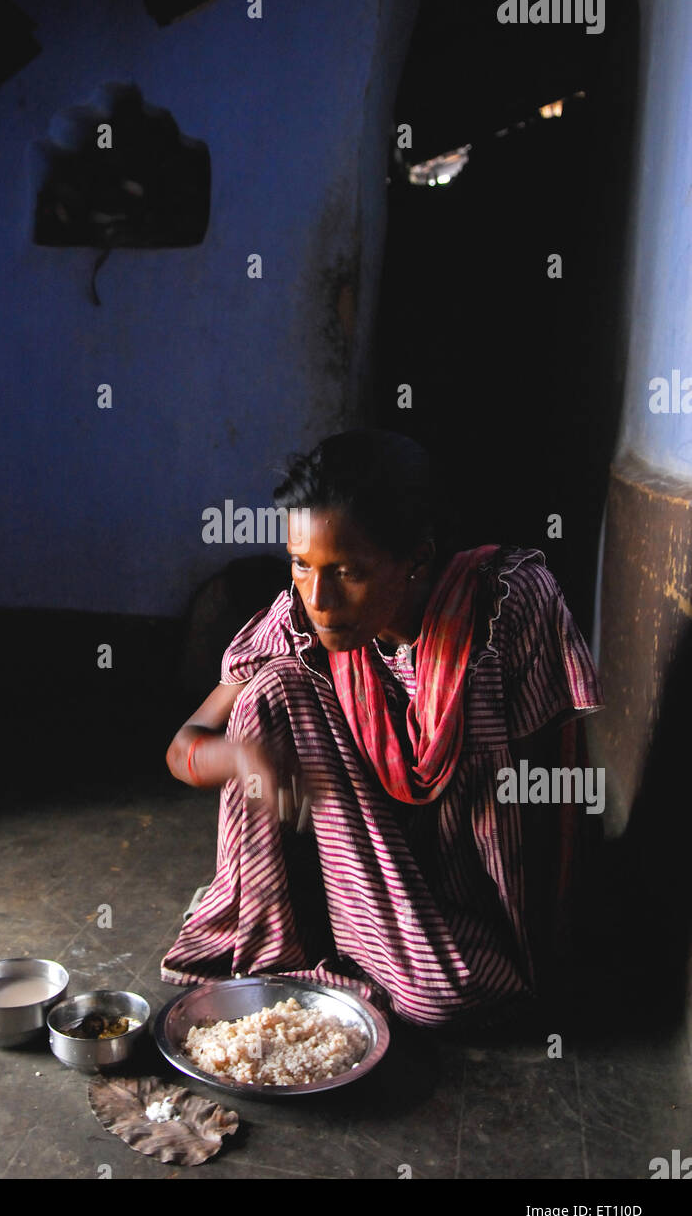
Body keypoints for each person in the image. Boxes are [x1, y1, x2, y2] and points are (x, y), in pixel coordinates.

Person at [162, 430, 604, 1027]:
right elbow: (184, 747)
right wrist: (245, 761)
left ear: (417, 559)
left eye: (346, 571)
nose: (319, 597)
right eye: (300, 564)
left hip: (456, 891)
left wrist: (554, 948)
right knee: (272, 690)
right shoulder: (297, 619)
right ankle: (287, 946)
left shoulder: (506, 608)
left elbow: (550, 787)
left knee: (444, 996)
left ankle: (332, 970)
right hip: (346, 876)